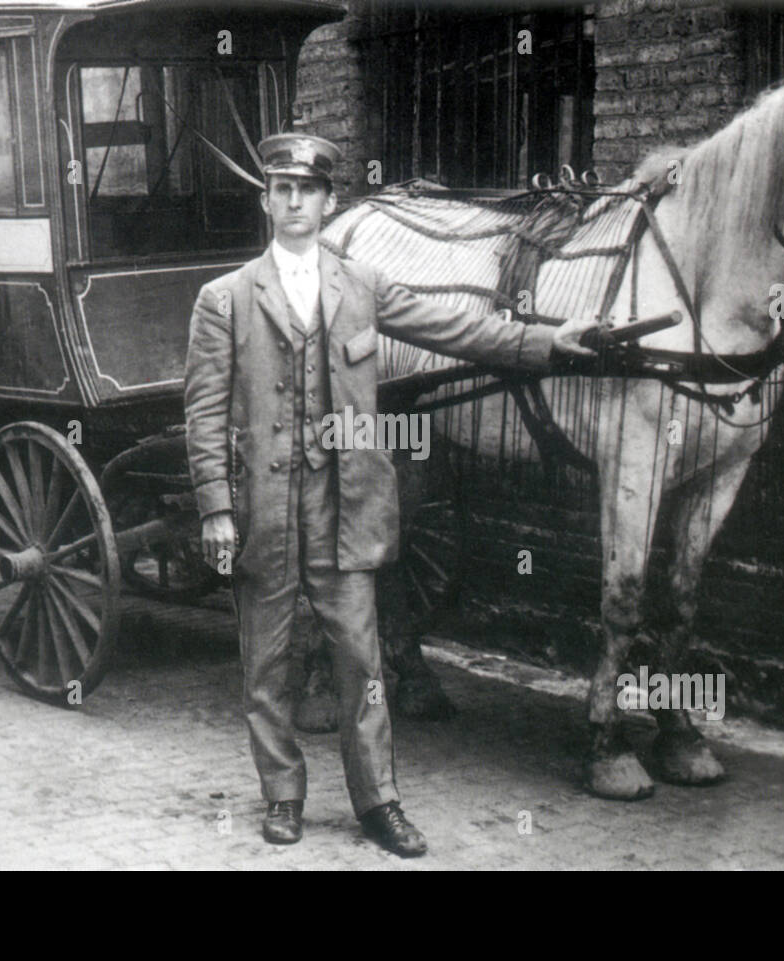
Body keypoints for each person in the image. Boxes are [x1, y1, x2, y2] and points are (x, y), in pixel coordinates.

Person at [184, 133, 595, 857]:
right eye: (281, 189)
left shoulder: (363, 287)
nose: (294, 202)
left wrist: (551, 342)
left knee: (363, 666)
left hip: (346, 508)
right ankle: (283, 795)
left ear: (328, 200)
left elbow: (460, 327)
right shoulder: (224, 300)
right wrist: (217, 507)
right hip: (264, 513)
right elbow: (204, 411)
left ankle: (379, 802)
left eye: (307, 190)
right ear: (266, 200)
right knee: (266, 664)